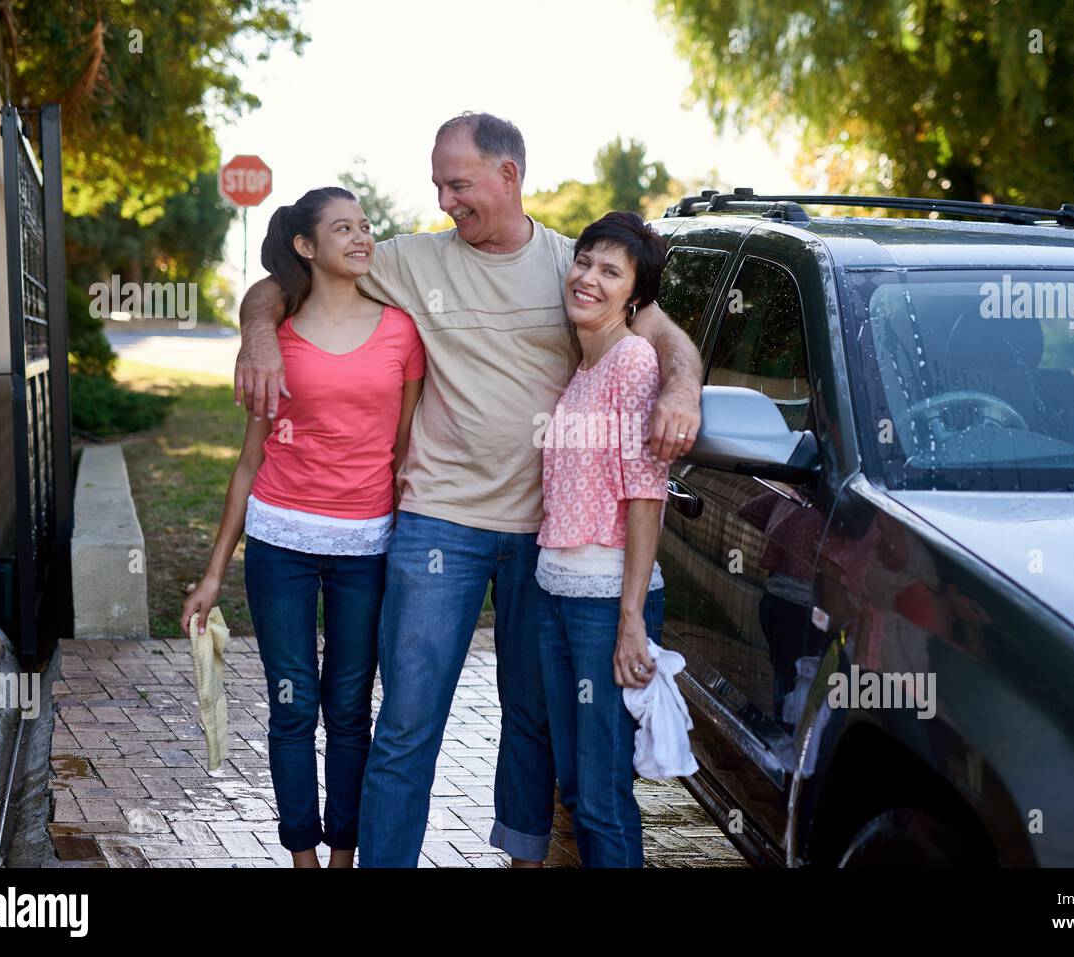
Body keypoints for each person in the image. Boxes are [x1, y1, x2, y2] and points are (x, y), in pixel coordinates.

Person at [233, 112, 703, 868]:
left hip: (542, 537)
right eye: (438, 185)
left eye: (458, 183)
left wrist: (682, 392)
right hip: (437, 523)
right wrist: (259, 337)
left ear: (507, 176)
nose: (446, 199)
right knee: (410, 717)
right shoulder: (416, 261)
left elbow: (664, 335)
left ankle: (522, 857)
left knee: (531, 719)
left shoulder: (573, 267)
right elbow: (280, 283)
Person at [182, 186, 424, 867]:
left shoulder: (402, 332)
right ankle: (303, 857)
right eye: (341, 227)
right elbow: (249, 458)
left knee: (349, 707)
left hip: (367, 545)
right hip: (280, 542)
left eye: (365, 225)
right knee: (291, 706)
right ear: (305, 246)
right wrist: (211, 577)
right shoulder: (276, 339)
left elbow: (403, 449)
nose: (360, 236)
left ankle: (343, 853)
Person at [535, 212, 670, 867]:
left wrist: (631, 617)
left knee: (603, 798)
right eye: (585, 260)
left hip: (603, 601)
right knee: (578, 788)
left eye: (610, 270)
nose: (588, 276)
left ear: (634, 295)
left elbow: (647, 491)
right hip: (557, 593)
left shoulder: (632, 360)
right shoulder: (584, 367)